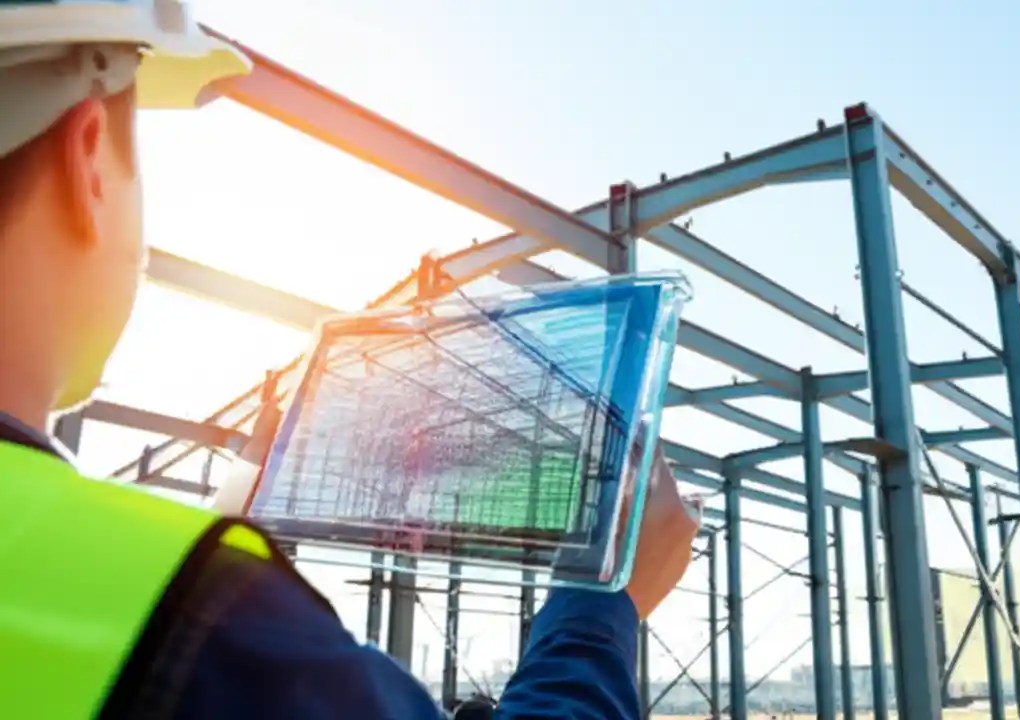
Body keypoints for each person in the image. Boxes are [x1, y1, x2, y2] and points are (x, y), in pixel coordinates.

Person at [0, 2, 700, 718]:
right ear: (87, 157)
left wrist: (241, 517)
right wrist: (597, 611)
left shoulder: (150, 602)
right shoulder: (217, 630)